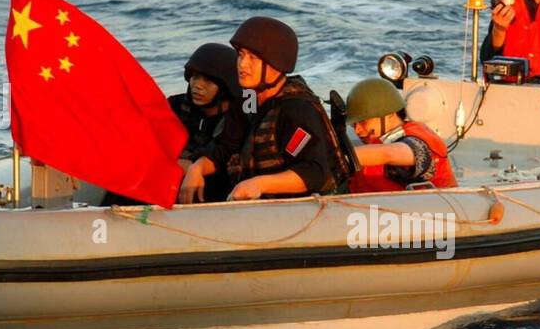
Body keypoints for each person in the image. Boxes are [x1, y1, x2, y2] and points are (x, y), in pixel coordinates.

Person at [178, 16, 352, 202]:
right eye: (241, 55)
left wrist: (258, 184)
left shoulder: (296, 110)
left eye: (252, 57)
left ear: (275, 64)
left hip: (314, 209)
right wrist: (198, 167)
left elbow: (313, 171)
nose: (242, 64)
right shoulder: (250, 98)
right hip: (263, 205)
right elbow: (227, 146)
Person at [343, 78, 457, 192]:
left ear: (390, 113)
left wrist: (340, 158)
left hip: (432, 207)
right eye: (354, 124)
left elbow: (390, 153)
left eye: (363, 121)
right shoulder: (380, 142)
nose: (357, 130)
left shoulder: (418, 140)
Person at [170, 43, 241, 203]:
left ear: (225, 87)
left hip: (215, 194)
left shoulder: (237, 118)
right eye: (194, 77)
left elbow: (224, 159)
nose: (198, 85)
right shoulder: (176, 107)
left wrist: (187, 166)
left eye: (208, 81)